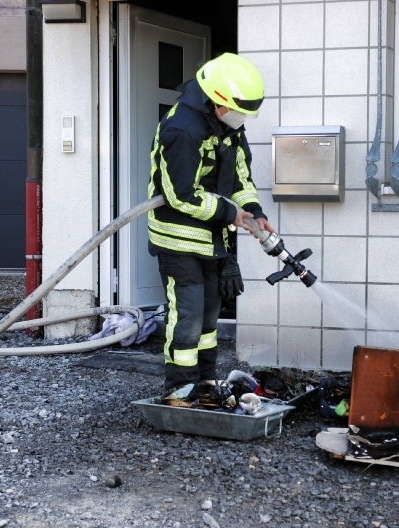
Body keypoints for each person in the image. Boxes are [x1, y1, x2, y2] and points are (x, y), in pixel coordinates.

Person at [147, 53, 274, 395]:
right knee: (187, 317)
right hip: (178, 240)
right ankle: (179, 391)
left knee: (208, 318)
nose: (242, 118)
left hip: (212, 239)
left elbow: (240, 175)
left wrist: (254, 211)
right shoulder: (182, 129)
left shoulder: (226, 125)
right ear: (217, 100)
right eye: (239, 111)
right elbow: (181, 195)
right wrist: (230, 214)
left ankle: (204, 383)